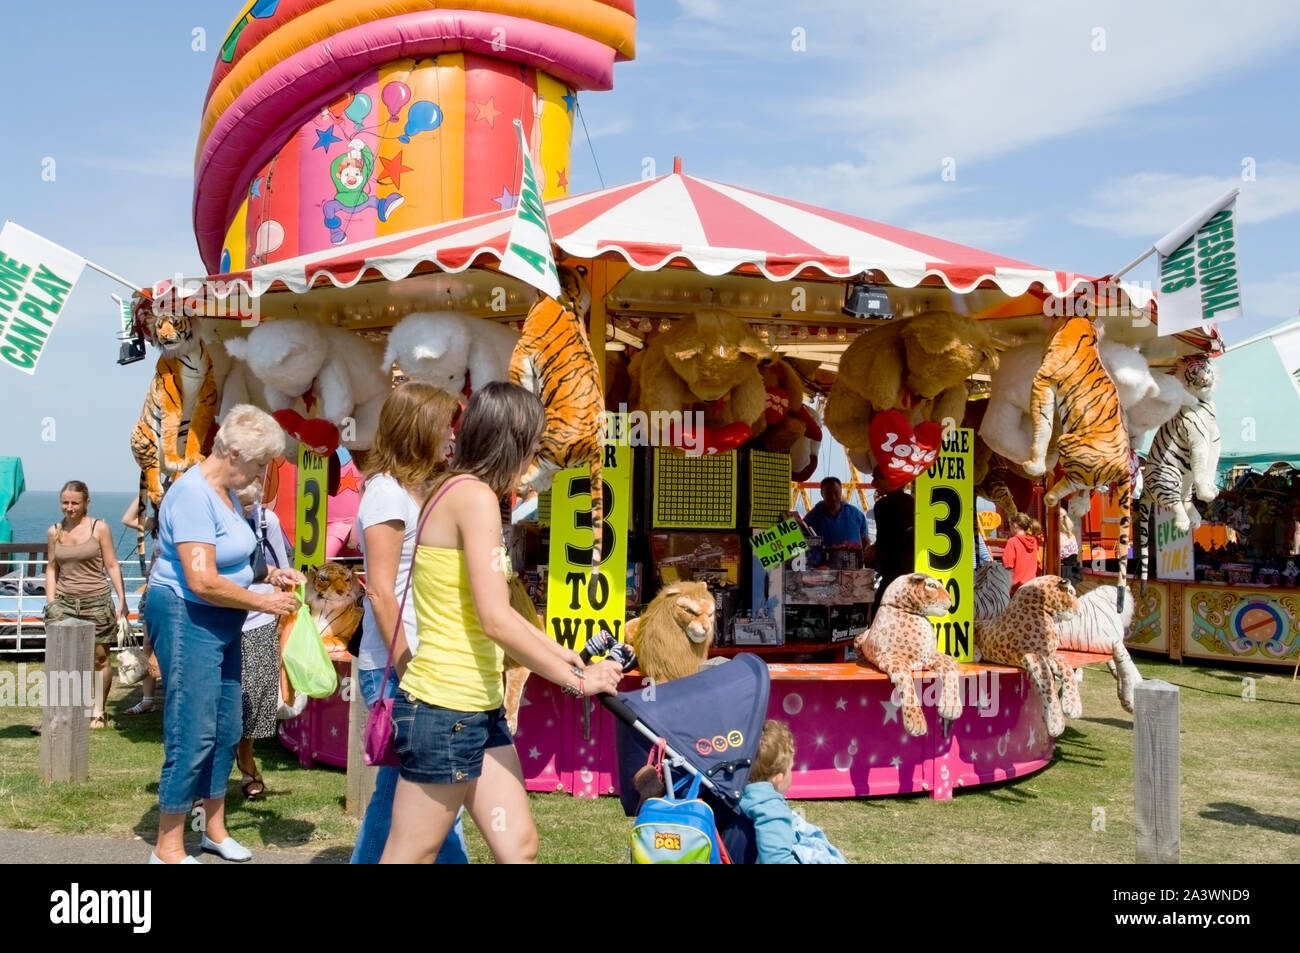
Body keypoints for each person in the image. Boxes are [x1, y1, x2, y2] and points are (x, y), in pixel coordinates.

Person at [381, 382, 623, 864]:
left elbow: (498, 608)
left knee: (519, 847)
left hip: (477, 709)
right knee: (411, 854)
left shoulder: (459, 490)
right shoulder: (474, 498)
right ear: (513, 440)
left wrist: (563, 653)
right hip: (446, 709)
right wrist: (578, 680)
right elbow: (494, 620)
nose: (538, 452)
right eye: (535, 441)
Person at [144, 404, 301, 864]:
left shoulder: (227, 491)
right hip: (186, 614)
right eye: (257, 463)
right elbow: (202, 580)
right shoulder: (193, 494)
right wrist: (263, 602)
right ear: (232, 452)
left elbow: (234, 555)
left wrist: (269, 574)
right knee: (191, 731)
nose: (261, 473)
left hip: (223, 618)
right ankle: (168, 846)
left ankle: (213, 829)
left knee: (227, 725)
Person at [351, 382, 470, 865]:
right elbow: (380, 589)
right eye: (445, 425)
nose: (452, 436)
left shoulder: (409, 491)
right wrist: (408, 664)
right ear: (419, 429)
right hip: (399, 662)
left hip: (415, 659)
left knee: (412, 791)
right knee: (425, 790)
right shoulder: (385, 495)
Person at [44, 481, 128, 729]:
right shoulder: (54, 531)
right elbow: (51, 567)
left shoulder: (99, 528)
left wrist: (121, 598)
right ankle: (61, 713)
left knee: (99, 658)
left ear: (86, 503)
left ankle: (98, 711)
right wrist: (51, 602)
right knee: (62, 660)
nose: (69, 508)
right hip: (64, 602)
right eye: (65, 502)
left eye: (74, 503)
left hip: (96, 600)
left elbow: (111, 564)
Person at [235, 478, 299, 801]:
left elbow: (282, 570)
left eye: (250, 501)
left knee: (256, 700)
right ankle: (212, 777)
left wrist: (282, 612)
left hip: (261, 618)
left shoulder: (266, 521)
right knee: (225, 700)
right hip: (225, 617)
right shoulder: (217, 516)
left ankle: (246, 759)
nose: (245, 507)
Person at [738, 720, 845, 864]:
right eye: (790, 768)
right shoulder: (770, 808)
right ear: (778, 778)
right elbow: (777, 860)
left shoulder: (740, 795)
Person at [121, 496, 161, 715]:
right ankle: (147, 699)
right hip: (153, 590)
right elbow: (127, 519)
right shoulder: (157, 523)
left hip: (177, 592)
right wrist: (146, 484)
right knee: (147, 645)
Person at [804, 477, 870, 567]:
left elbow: (865, 541)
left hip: (852, 569)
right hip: (822, 572)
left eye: (836, 493)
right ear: (822, 494)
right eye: (828, 494)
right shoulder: (812, 517)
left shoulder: (856, 515)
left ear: (841, 491)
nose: (833, 498)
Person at [870, 472, 915, 601]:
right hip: (911, 567)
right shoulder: (912, 502)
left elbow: (883, 545)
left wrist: (872, 552)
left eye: (876, 477)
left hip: (893, 572)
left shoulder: (882, 505)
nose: (873, 483)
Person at [1002, 512, 1042, 594]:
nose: (1010, 529)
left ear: (1015, 525)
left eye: (1010, 526)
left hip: (1016, 588)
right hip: (1031, 586)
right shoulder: (1034, 541)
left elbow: (1008, 565)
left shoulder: (1012, 542)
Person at [1059, 508, 1081, 584]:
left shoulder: (1059, 537)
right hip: (1074, 569)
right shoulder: (1071, 535)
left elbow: (1059, 555)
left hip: (1064, 571)